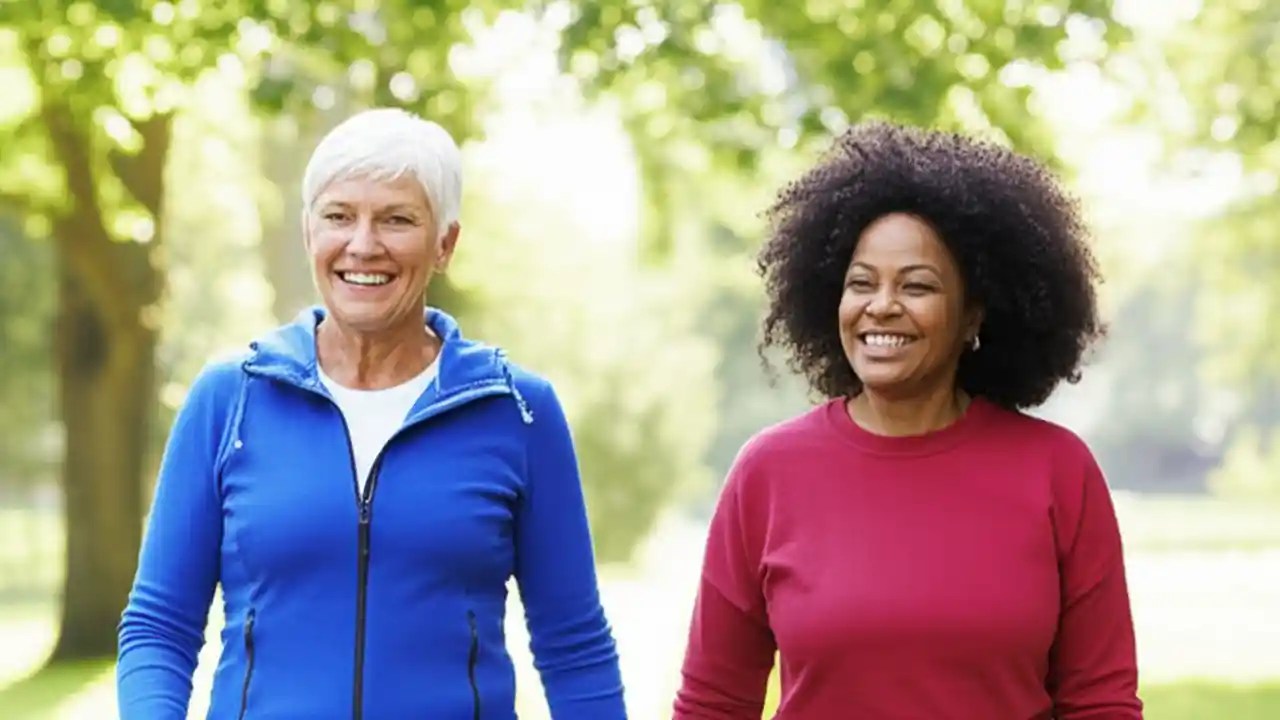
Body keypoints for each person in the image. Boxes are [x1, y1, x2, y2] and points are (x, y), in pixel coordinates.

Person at [117, 108, 627, 719]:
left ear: (445, 243)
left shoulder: (517, 411)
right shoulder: (229, 399)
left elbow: (574, 647)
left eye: (397, 219)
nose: (363, 244)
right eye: (338, 216)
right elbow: (159, 626)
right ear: (309, 232)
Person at [672, 122, 1142, 719]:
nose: (882, 305)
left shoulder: (1057, 471)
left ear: (973, 315)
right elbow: (714, 702)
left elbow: (1101, 702)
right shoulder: (768, 471)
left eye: (917, 285)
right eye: (861, 283)